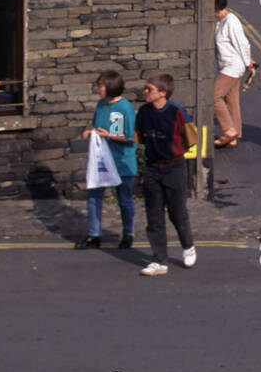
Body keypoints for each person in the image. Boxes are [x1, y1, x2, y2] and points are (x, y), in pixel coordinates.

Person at [135, 72, 196, 276]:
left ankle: (188, 246)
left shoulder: (178, 112)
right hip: (153, 167)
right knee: (154, 215)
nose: (145, 91)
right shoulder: (143, 112)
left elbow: (191, 140)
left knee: (177, 212)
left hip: (174, 167)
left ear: (162, 93)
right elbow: (140, 138)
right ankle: (160, 260)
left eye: (149, 89)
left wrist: (175, 153)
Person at [77, 69, 137, 250]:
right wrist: (91, 132)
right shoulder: (101, 104)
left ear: (111, 87)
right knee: (94, 196)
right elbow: (98, 127)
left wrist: (109, 136)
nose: (97, 89)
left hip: (121, 160)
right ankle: (94, 235)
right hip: (102, 160)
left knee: (124, 199)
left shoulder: (125, 108)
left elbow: (130, 136)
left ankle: (128, 234)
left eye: (100, 85)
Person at [213, 0, 255, 148]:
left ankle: (229, 130)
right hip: (228, 65)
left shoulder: (231, 21)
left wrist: (247, 62)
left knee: (214, 96)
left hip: (232, 66)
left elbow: (242, 43)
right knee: (231, 99)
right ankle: (234, 135)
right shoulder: (221, 21)